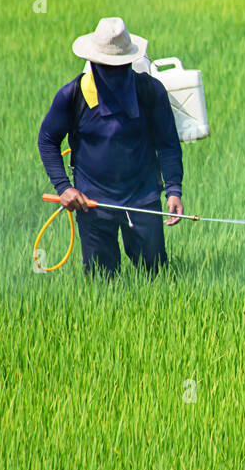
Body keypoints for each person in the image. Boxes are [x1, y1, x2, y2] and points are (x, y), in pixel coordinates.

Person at [38, 17, 184, 276]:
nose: (114, 73)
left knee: (156, 277)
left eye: (120, 66)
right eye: (107, 66)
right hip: (91, 202)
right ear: (93, 62)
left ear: (130, 61)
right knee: (101, 282)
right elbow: (47, 140)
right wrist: (64, 188)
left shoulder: (149, 91)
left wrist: (173, 190)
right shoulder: (73, 96)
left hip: (143, 198)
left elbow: (168, 144)